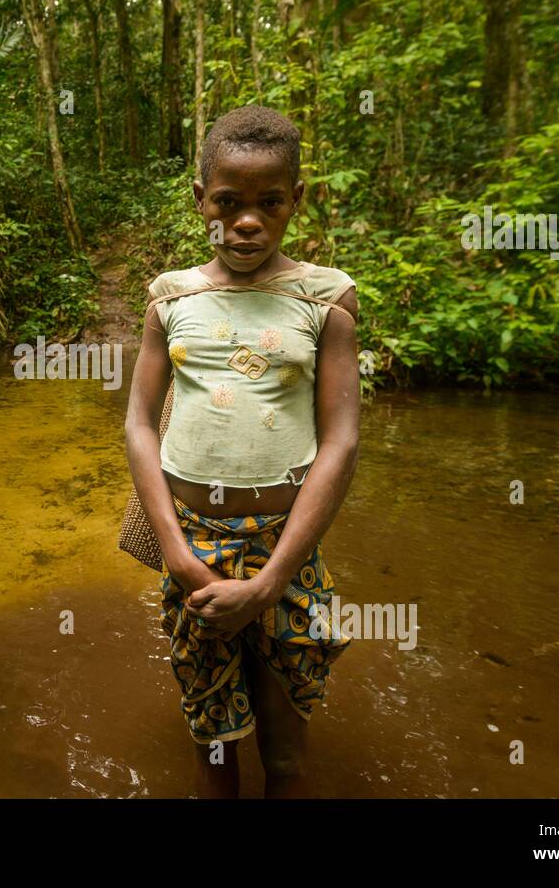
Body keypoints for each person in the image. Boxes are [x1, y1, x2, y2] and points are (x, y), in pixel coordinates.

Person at [124, 105, 360, 798]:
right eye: (228, 202)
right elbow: (139, 422)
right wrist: (176, 553)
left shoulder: (325, 298)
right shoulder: (171, 298)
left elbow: (341, 442)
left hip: (284, 549)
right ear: (201, 199)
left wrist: (268, 582)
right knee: (217, 750)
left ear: (298, 198)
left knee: (284, 756)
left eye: (269, 202)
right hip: (193, 551)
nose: (248, 221)